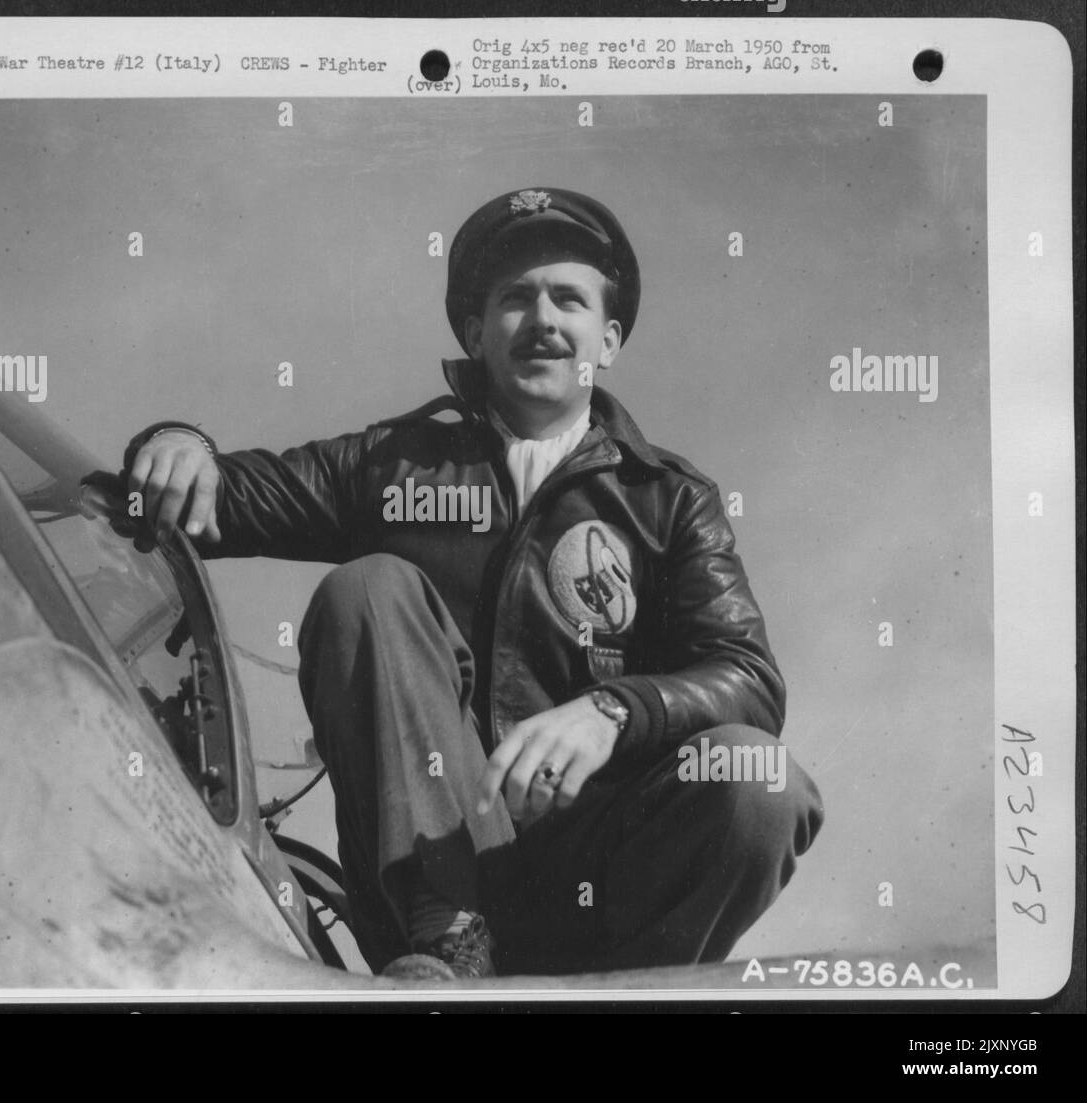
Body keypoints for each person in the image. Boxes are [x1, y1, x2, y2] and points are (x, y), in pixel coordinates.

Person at [122, 187, 824, 981]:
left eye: (570, 299)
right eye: (516, 299)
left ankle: (633, 996)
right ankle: (450, 929)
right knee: (369, 587)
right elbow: (218, 500)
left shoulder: (669, 499)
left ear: (611, 337)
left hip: (607, 878)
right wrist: (176, 443)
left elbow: (748, 677)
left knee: (757, 776)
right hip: (442, 872)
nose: (545, 320)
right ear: (475, 330)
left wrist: (611, 711)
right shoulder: (392, 464)